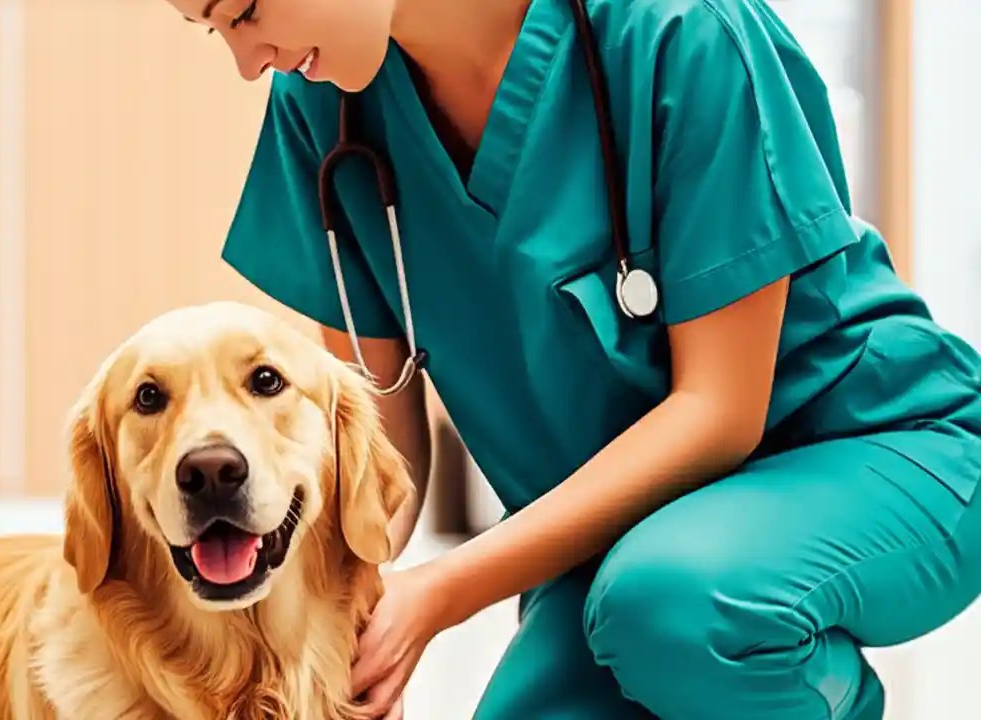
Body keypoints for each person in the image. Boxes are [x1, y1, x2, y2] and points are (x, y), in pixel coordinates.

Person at [163, 0, 981, 718]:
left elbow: (718, 415)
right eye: (210, 32)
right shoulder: (323, 106)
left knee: (675, 611)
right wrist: (321, 620)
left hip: (878, 449)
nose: (246, 61)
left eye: (244, 12)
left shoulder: (682, 31)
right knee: (644, 609)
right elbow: (380, 449)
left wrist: (441, 595)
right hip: (628, 544)